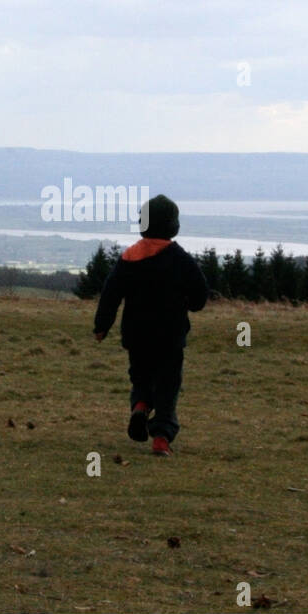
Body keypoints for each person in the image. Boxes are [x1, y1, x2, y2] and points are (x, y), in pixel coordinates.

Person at [93, 194, 208, 456]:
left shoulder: (129, 257)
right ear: (173, 226)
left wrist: (102, 326)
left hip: (136, 335)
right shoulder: (179, 258)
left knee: (141, 376)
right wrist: (192, 304)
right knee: (168, 384)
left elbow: (110, 294)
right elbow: (200, 293)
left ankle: (141, 406)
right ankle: (161, 437)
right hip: (170, 336)